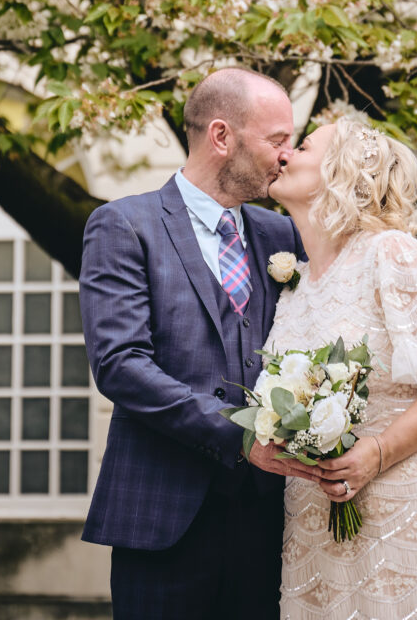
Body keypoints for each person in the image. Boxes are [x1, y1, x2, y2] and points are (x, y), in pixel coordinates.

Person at [79, 68, 343, 620]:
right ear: (222, 136)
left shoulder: (282, 235)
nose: (286, 155)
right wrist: (241, 435)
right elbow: (120, 365)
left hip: (271, 521)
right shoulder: (124, 225)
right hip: (162, 516)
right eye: (277, 139)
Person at [266, 115, 417, 619]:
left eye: (302, 147)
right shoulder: (295, 284)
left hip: (404, 508)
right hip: (314, 525)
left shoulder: (390, 253)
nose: (283, 154)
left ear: (340, 172)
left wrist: (377, 452)